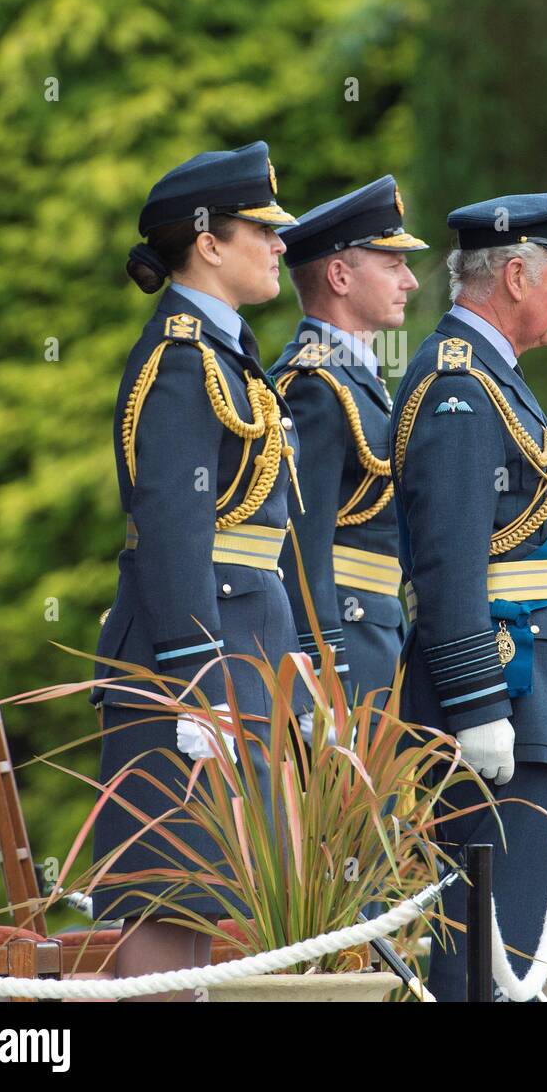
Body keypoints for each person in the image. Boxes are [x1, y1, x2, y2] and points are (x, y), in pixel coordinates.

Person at [89, 140, 310, 1000]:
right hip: (192, 671)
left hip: (238, 662)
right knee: (170, 900)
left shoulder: (225, 356)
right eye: (263, 229)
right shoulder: (183, 361)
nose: (280, 245)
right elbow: (173, 533)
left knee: (218, 904)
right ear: (209, 241)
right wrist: (195, 684)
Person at [390, 191, 547, 1002]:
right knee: (490, 962)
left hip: (536, 703)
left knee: (523, 953)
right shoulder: (458, 384)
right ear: (515, 275)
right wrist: (476, 701)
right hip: (504, 704)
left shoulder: (491, 378)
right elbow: (449, 564)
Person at [268, 177, 427, 712]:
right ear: (339, 275)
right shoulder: (314, 386)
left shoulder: (357, 381)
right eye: (391, 264)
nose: (410, 281)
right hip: (346, 666)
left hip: (376, 644)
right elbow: (298, 548)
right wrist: (317, 685)